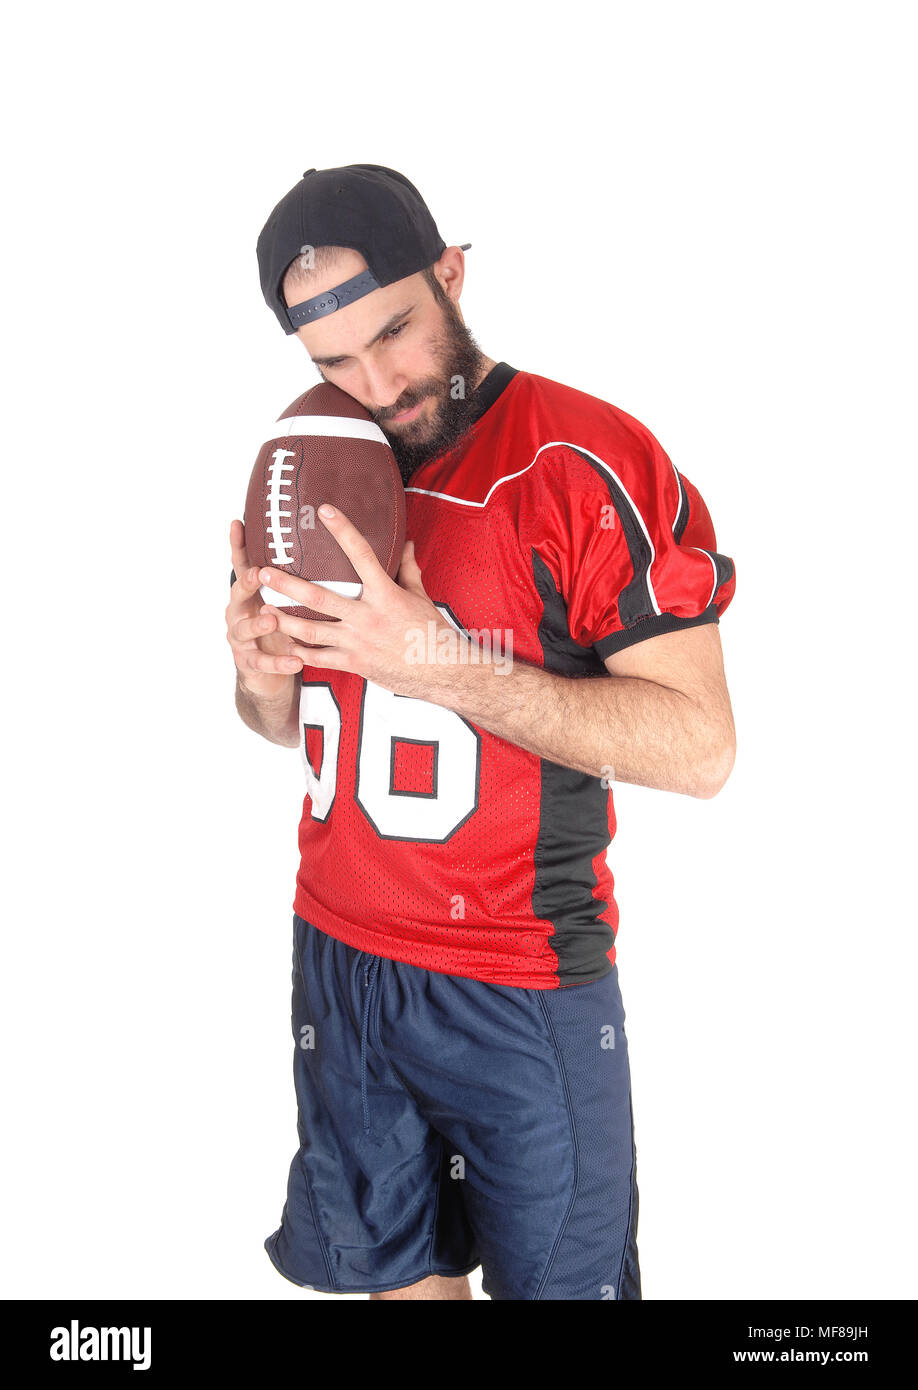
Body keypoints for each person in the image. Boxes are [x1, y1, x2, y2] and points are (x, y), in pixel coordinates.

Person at [225, 164, 737, 1301]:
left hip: (516, 984)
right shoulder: (315, 461)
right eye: (334, 362)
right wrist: (261, 674)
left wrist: (438, 662)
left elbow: (701, 748)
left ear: (451, 272)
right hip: (339, 956)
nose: (378, 382)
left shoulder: (580, 457)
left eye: (397, 332)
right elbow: (284, 724)